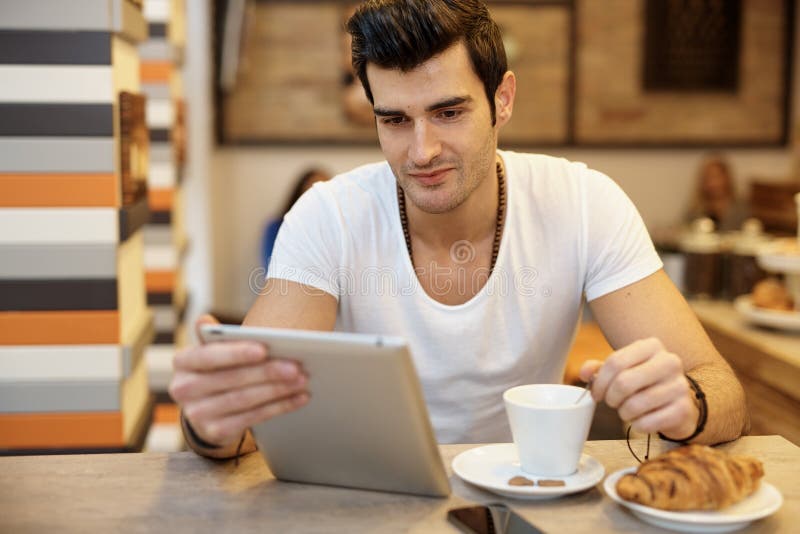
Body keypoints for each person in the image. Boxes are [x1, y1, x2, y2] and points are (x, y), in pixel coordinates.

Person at [170, 0, 748, 459]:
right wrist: (209, 425)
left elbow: (722, 389)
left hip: (523, 496)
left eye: (448, 112)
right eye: (394, 120)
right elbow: (243, 428)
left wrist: (689, 404)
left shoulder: (583, 202)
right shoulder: (328, 217)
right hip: (367, 504)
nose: (422, 151)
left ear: (503, 99)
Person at [260, 167, 331, 267]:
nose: (317, 201)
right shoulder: (276, 228)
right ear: (299, 195)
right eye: (311, 194)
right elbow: (272, 266)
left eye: (324, 195)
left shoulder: (334, 230)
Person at [685, 155, 749, 232]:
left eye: (717, 177)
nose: (713, 183)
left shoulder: (740, 207)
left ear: (727, 178)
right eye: (708, 178)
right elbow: (685, 230)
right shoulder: (696, 210)